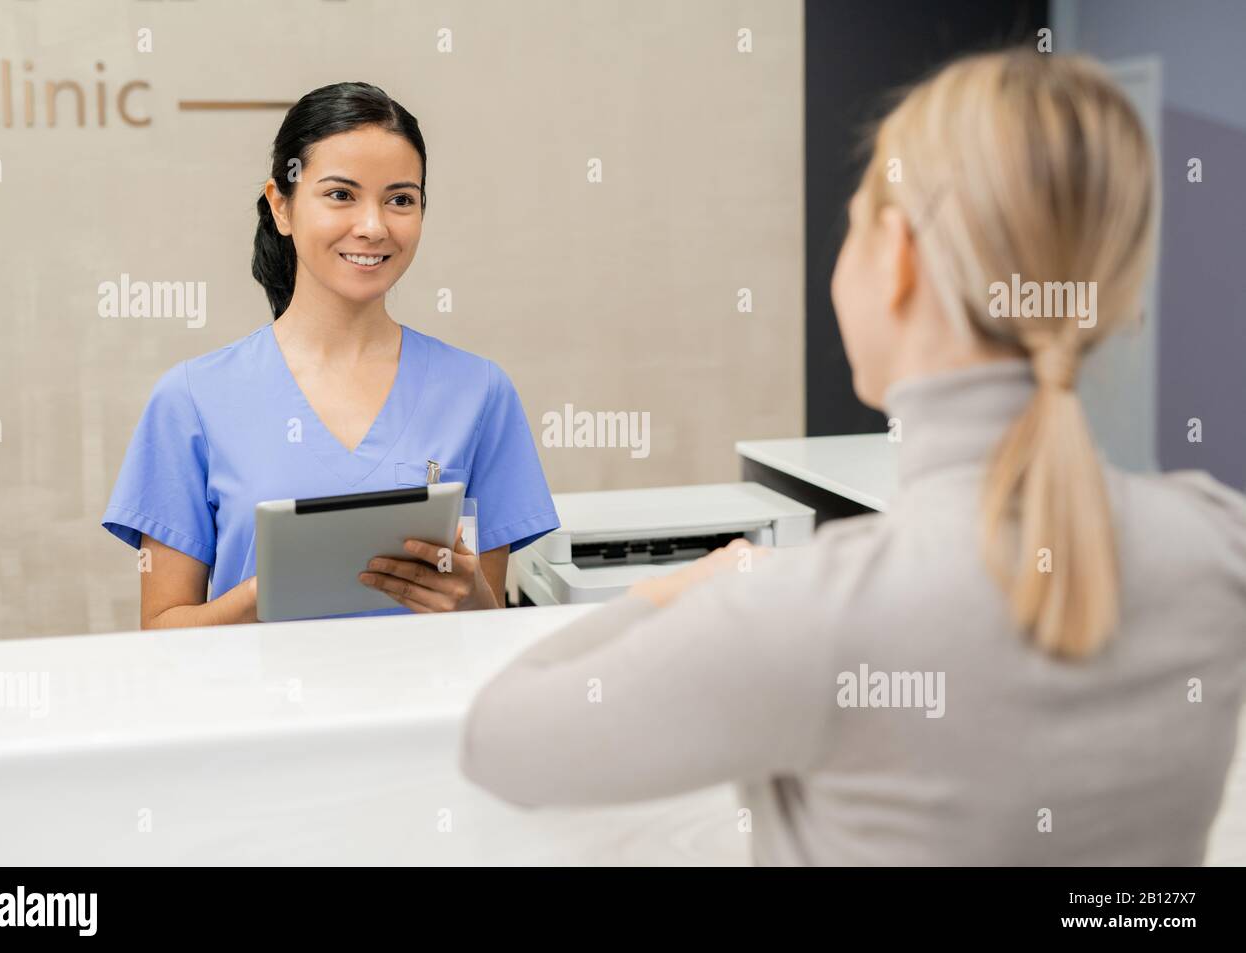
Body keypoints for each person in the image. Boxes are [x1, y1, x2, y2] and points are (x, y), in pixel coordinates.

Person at [459, 50, 1246, 865]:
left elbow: (498, 738)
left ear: (898, 257)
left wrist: (686, 587)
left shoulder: (809, 610)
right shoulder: (1218, 542)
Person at [102, 82, 559, 628]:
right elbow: (161, 635)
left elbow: (491, 626)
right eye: (341, 195)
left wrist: (471, 599)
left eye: (400, 199)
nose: (373, 226)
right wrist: (267, 592)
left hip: (426, 711)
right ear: (282, 206)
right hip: (261, 711)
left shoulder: (479, 392)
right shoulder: (193, 399)